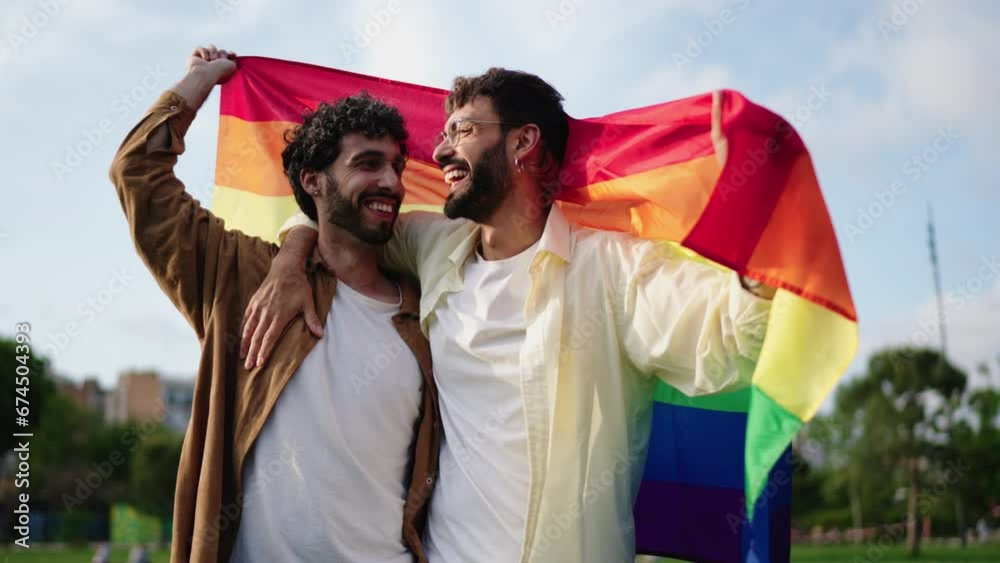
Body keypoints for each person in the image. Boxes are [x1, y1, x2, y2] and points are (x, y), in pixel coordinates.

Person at [245, 68, 775, 562]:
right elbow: (337, 211)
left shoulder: (614, 270)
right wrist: (290, 259)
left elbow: (731, 333)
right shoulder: (431, 245)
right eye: (444, 134)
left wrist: (763, 234)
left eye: (464, 130)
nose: (442, 149)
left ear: (523, 142)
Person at [109, 45, 439, 563]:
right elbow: (137, 174)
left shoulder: (429, 309)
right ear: (312, 180)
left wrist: (297, 241)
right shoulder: (240, 276)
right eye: (368, 164)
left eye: (397, 166)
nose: (392, 183)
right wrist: (200, 81)